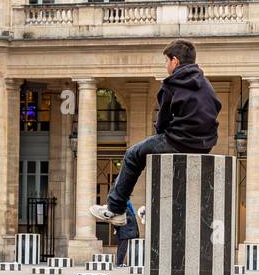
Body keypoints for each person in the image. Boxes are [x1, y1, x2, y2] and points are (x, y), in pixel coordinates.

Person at [90, 39, 221, 226]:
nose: (166, 66)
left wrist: (162, 134)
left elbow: (162, 120)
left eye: (166, 61)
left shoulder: (172, 83)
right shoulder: (207, 85)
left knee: (133, 154)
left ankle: (115, 209)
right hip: (205, 144)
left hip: (179, 140)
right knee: (174, 168)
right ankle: (158, 208)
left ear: (175, 61)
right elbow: (216, 107)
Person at [115, 201, 140, 266]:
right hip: (125, 231)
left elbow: (117, 221)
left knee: (121, 247)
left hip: (123, 231)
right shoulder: (125, 210)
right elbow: (121, 220)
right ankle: (119, 263)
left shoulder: (123, 209)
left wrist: (116, 228)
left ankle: (119, 263)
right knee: (123, 248)